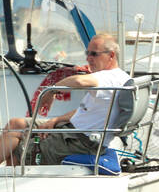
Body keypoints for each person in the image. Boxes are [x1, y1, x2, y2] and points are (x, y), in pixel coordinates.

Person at [1, 34, 131, 167]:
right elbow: (86, 110)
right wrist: (56, 120)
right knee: (15, 124)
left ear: (111, 55)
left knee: (16, 146)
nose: (88, 58)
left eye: (94, 54)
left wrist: (51, 91)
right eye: (87, 53)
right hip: (71, 131)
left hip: (79, 142)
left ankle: (15, 181)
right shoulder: (119, 76)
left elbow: (79, 80)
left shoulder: (107, 78)